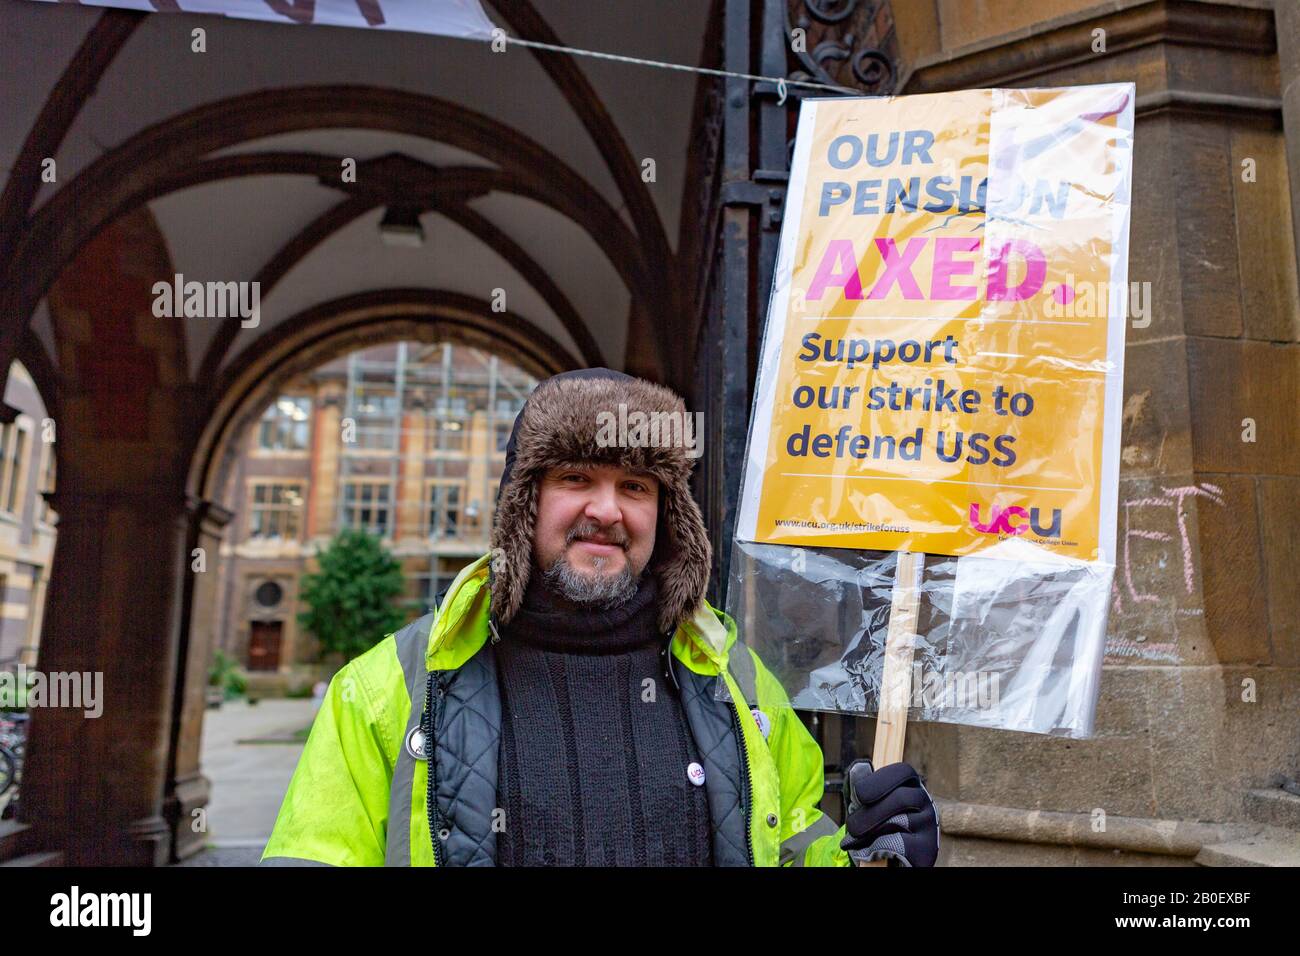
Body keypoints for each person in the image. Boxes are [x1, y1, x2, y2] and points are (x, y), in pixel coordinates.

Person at [261, 368, 939, 867]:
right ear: (523, 504)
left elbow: (795, 849)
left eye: (636, 487)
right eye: (577, 477)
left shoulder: (736, 685)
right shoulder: (388, 692)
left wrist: (870, 853)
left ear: (665, 517)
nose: (607, 510)